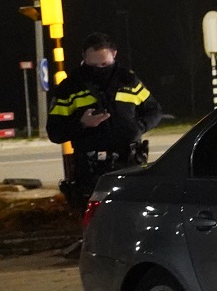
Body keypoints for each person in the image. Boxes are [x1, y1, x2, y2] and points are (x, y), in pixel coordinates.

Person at [48, 32, 164, 210]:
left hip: (129, 166)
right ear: (83, 58)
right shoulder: (70, 87)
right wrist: (83, 124)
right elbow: (54, 132)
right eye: (93, 64)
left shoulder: (128, 80)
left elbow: (154, 110)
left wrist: (139, 127)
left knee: (132, 219)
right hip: (91, 173)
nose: (99, 69)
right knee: (97, 225)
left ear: (114, 54)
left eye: (104, 64)